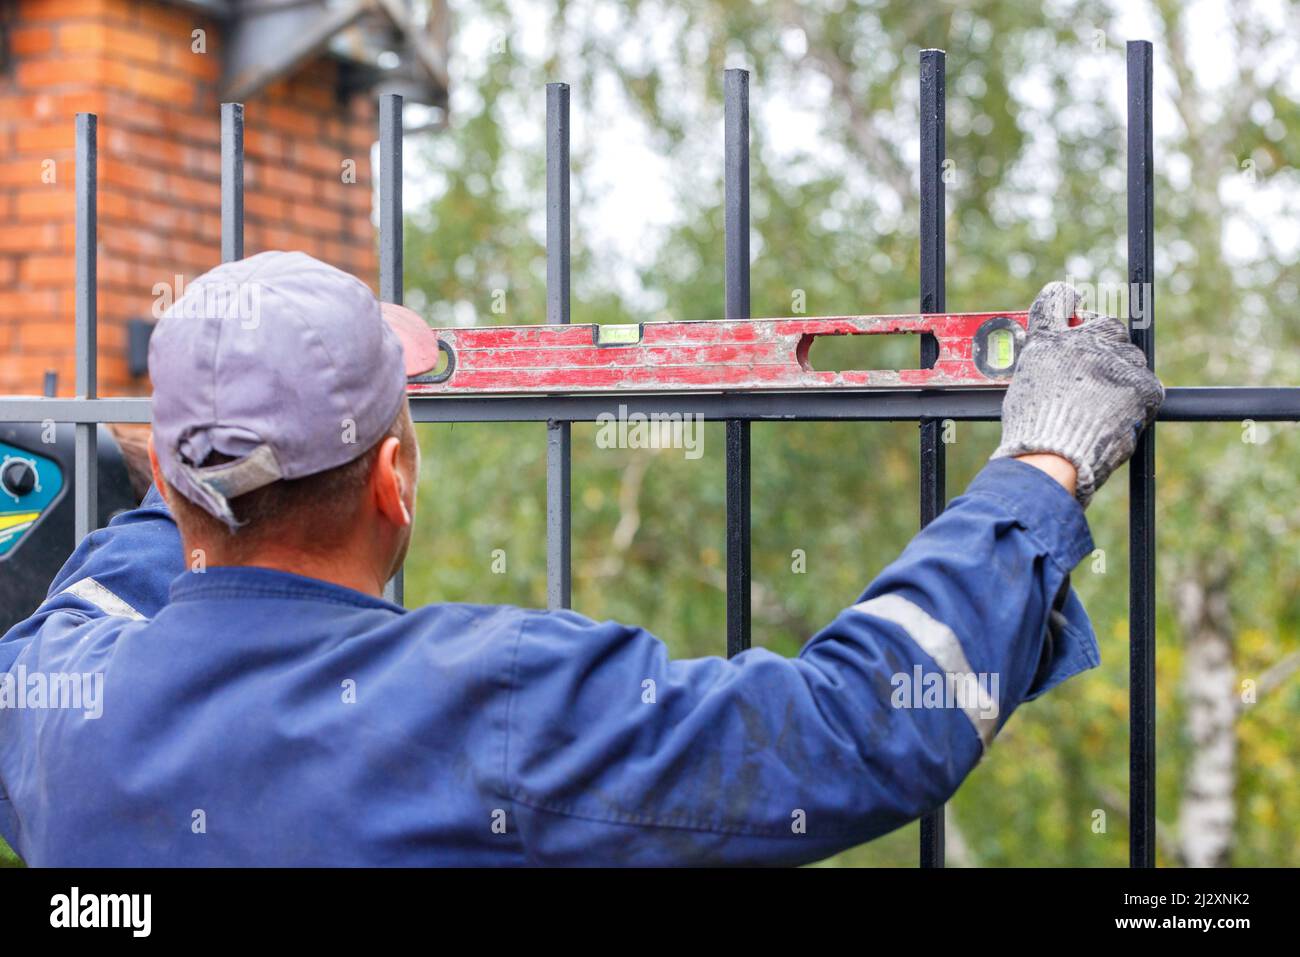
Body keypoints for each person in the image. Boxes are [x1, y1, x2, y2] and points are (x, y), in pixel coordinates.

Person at [0, 251, 1163, 866]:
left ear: (169, 479)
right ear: (394, 483)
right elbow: (850, 732)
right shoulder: (487, 708)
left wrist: (242, 391)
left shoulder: (54, 698)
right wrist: (1040, 467)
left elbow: (126, 569)